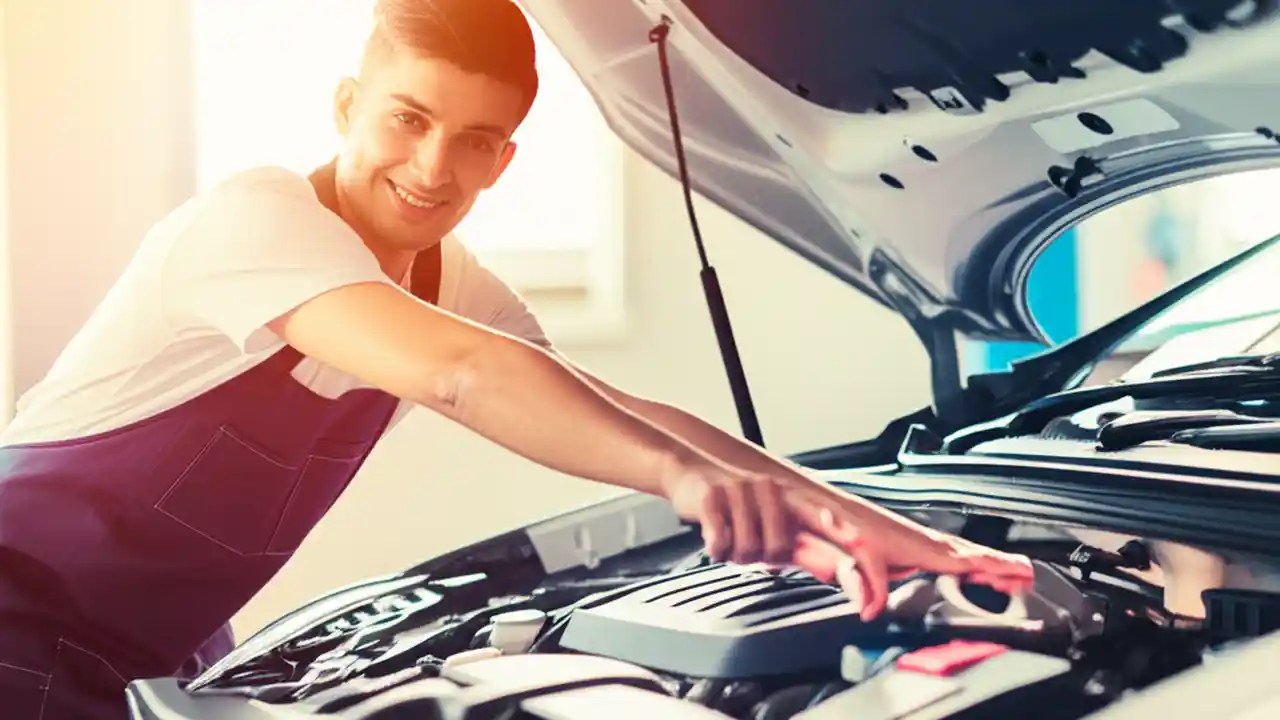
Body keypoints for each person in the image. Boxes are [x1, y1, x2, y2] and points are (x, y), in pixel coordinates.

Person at [0, 0, 1032, 715]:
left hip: (165, 640)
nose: (431, 167)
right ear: (346, 105)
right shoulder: (252, 223)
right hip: (21, 625)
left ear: (504, 158)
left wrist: (890, 529)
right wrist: (681, 484)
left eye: (472, 139)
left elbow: (620, 412)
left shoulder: (451, 281)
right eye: (407, 118)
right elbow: (462, 374)